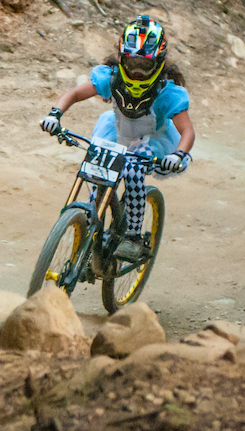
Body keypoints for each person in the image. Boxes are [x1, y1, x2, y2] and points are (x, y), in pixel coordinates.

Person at [39, 16, 195, 262]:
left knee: (133, 169)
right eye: (132, 63)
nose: (137, 72)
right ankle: (93, 221)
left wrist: (178, 154)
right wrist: (55, 115)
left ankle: (133, 236)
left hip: (152, 140)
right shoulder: (111, 78)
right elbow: (76, 93)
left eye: (144, 65)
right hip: (116, 133)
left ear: (158, 63)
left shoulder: (167, 93)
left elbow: (187, 131)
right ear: (122, 58)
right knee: (96, 167)